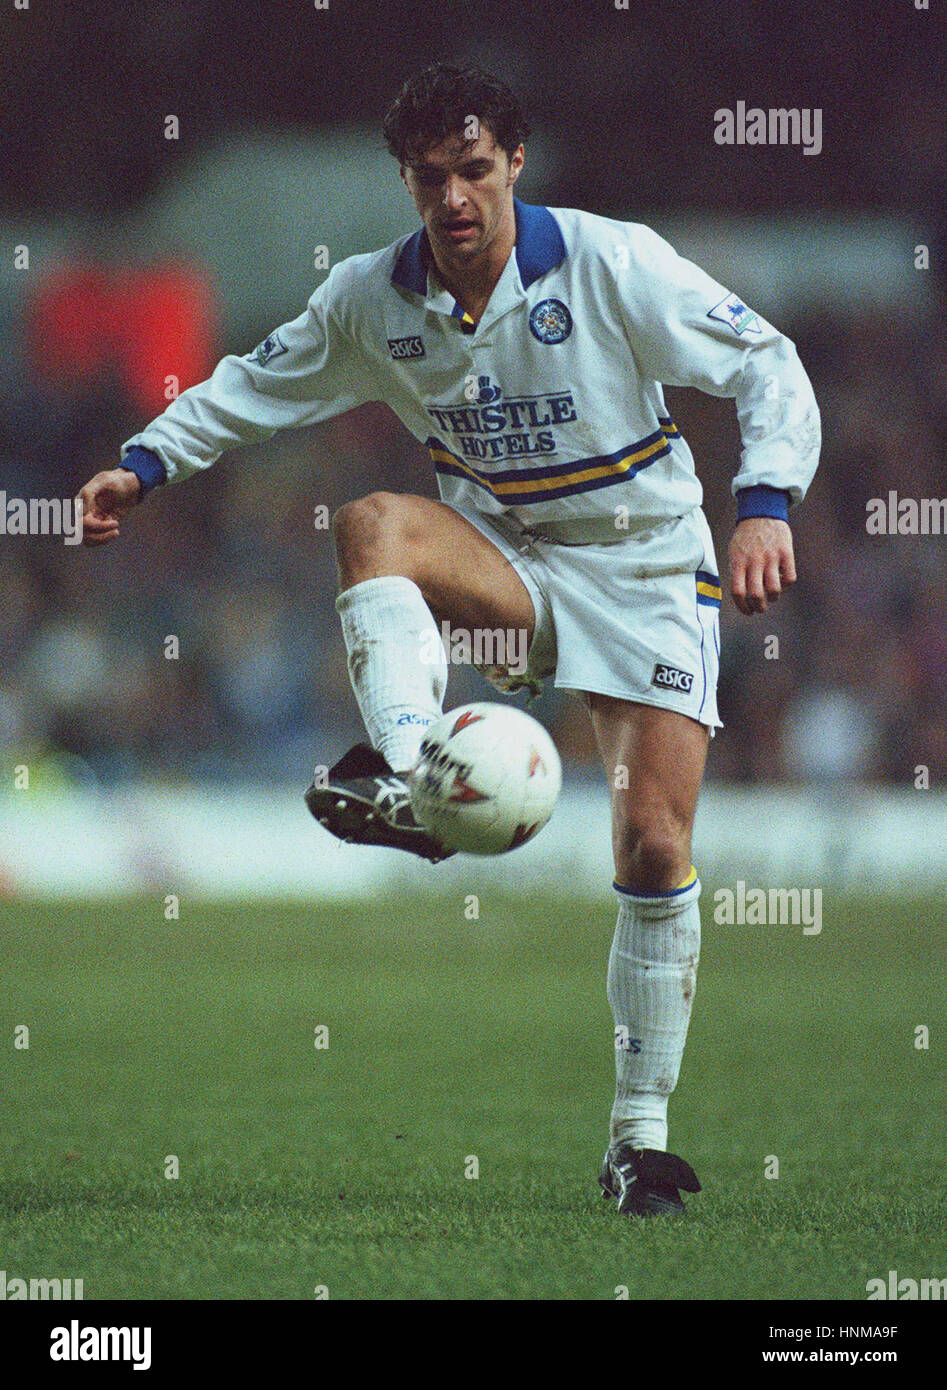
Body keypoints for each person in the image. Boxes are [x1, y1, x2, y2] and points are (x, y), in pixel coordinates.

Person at [77, 61, 820, 1217]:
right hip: (509, 563)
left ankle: (637, 1141)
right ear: (409, 183)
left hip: (646, 571)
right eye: (431, 178)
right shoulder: (372, 302)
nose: (455, 197)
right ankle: (414, 775)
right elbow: (251, 384)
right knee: (373, 522)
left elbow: (761, 358)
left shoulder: (609, 263)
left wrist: (764, 500)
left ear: (513, 162)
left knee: (653, 848)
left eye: (474, 169)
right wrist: (142, 463)